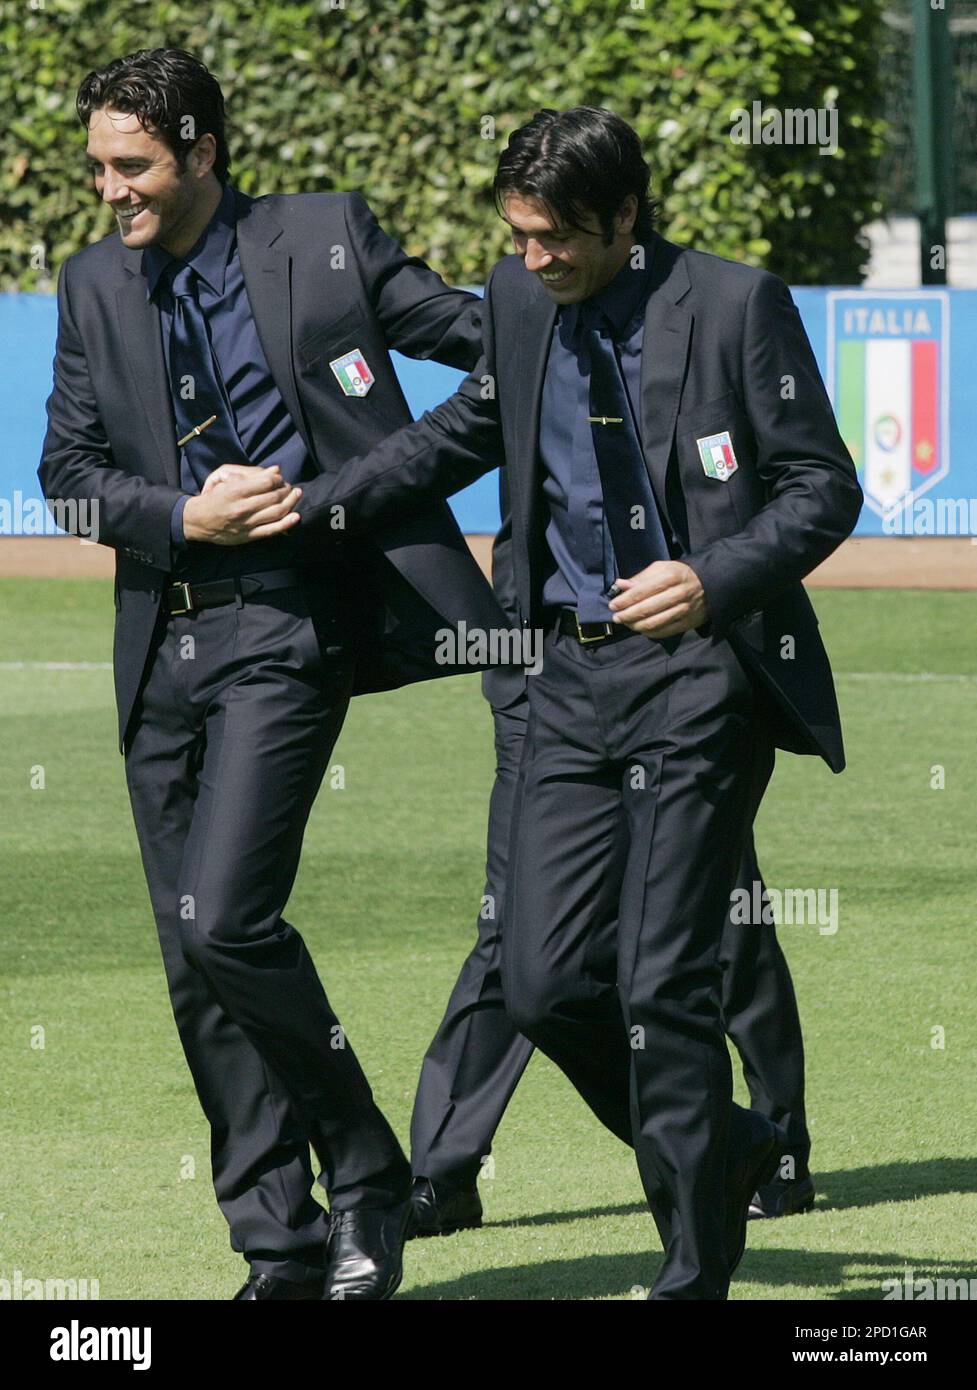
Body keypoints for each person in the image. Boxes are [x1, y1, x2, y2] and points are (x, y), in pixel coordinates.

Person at [292, 107, 863, 1298]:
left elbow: (821, 487)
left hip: (696, 680)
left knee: (661, 982)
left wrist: (709, 578)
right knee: (542, 980)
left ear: (623, 218)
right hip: (555, 678)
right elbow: (464, 428)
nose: (532, 259)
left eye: (554, 238)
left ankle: (690, 1266)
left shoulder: (730, 302)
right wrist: (316, 506)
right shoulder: (515, 301)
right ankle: (733, 1144)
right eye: (517, 238)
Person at [37, 47, 508, 1301]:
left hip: (285, 633)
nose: (108, 190)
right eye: (96, 166)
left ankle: (363, 1174)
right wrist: (185, 514)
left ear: (199, 150)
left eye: (129, 165)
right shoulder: (89, 285)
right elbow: (67, 480)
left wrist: (350, 492)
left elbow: (494, 343)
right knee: (196, 962)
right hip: (159, 646)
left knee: (228, 920)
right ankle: (279, 1246)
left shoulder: (324, 236)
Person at [408, 477, 815, 1238]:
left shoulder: (672, 358)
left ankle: (775, 1146)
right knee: (517, 922)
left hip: (684, 672)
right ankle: (441, 1171)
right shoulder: (518, 353)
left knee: (720, 913)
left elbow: (799, 482)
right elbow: (428, 437)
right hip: (544, 681)